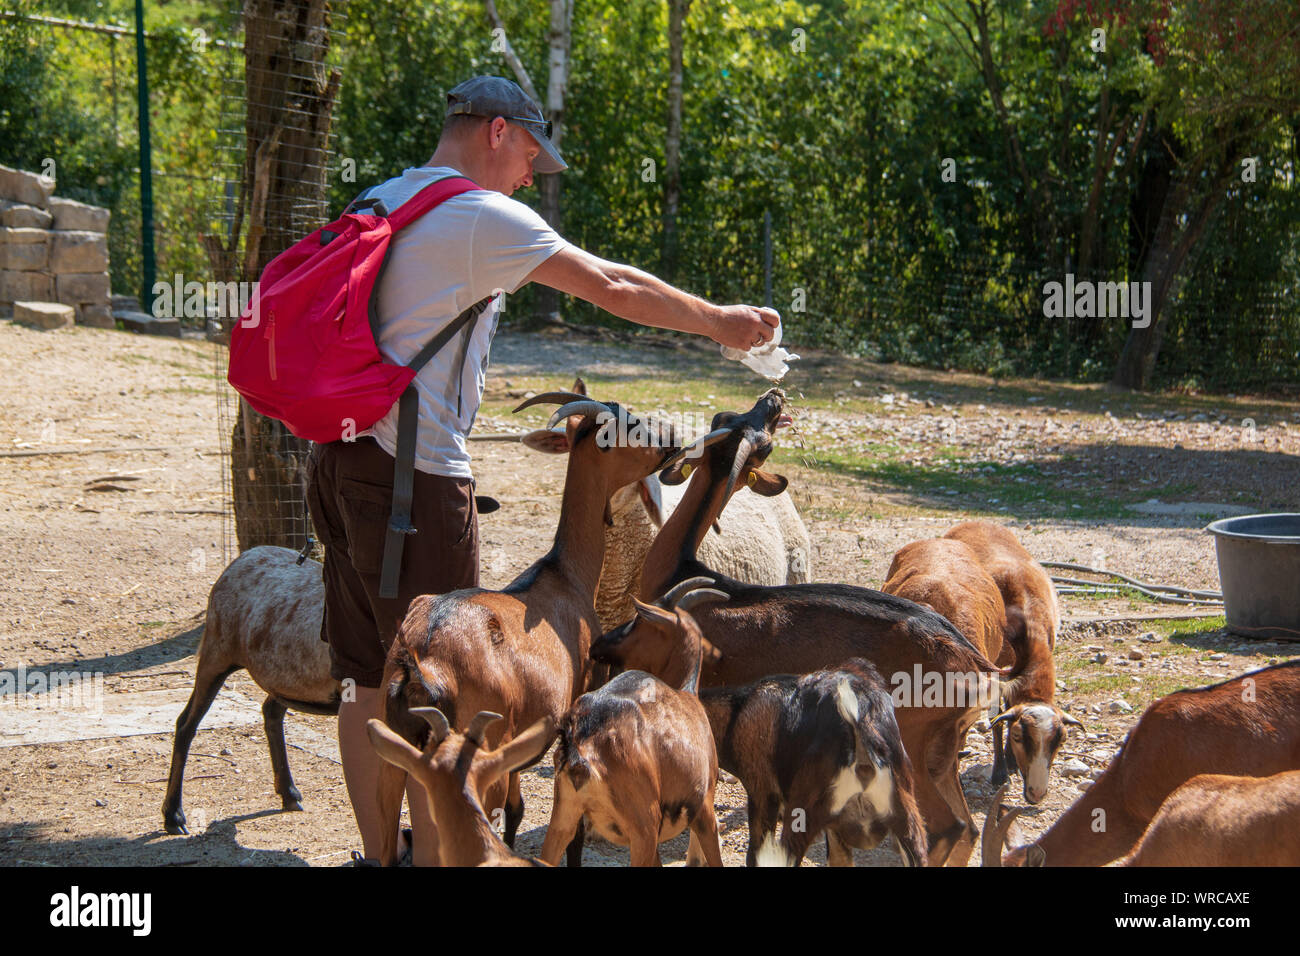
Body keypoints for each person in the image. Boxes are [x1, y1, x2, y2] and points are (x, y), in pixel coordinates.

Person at [305, 75, 779, 865]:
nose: (530, 173)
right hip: (410, 483)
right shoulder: (479, 215)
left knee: (369, 681)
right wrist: (721, 324)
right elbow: (614, 286)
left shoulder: (384, 197)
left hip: (342, 464)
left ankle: (382, 856)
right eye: (529, 152)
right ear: (496, 131)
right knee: (448, 680)